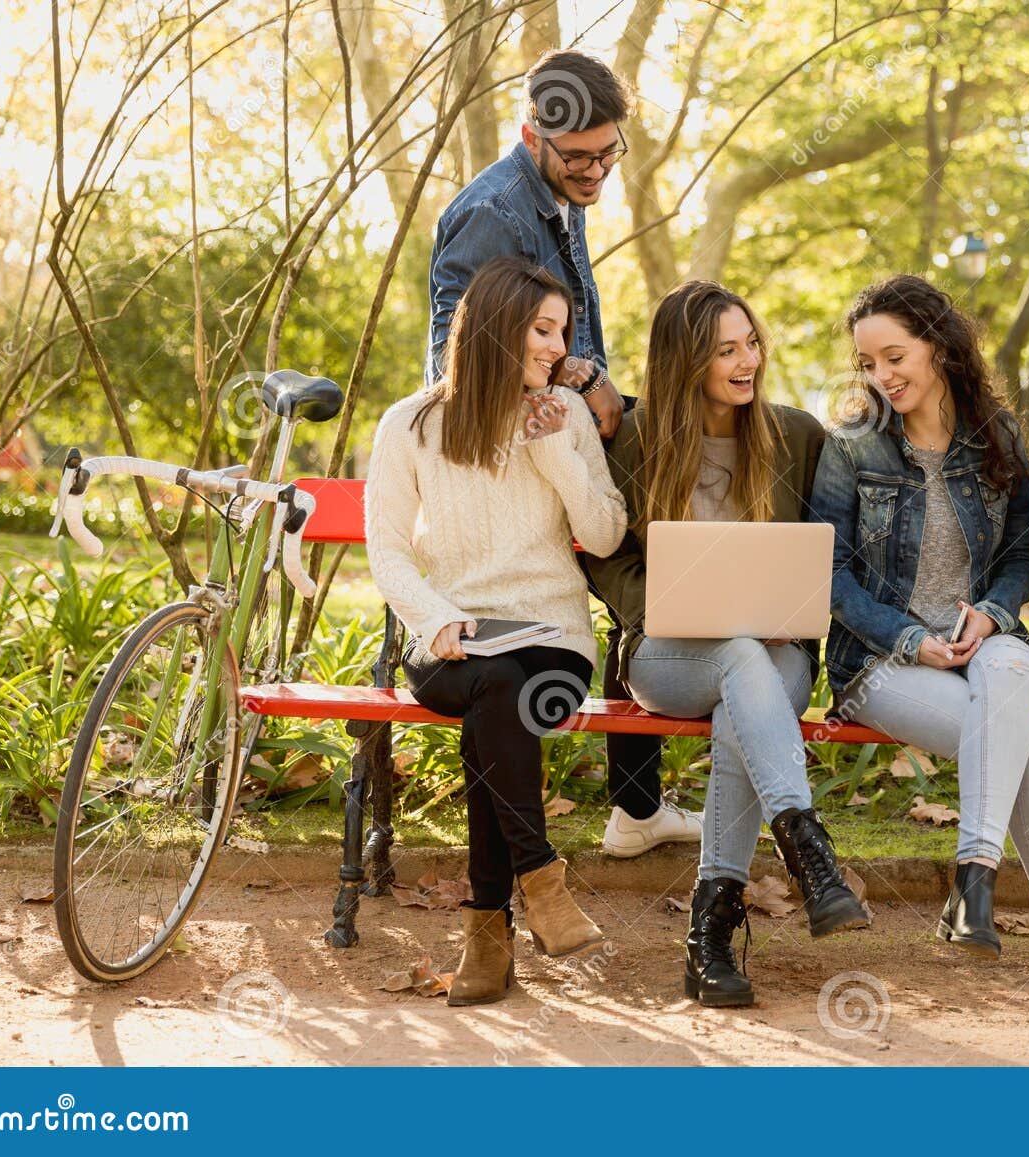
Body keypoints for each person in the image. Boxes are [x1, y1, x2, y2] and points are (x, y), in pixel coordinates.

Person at [812, 274, 1029, 998]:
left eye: (895, 356)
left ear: (938, 346)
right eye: (868, 363)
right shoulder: (852, 446)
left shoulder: (994, 432)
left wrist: (992, 612)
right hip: (879, 661)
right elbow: (830, 578)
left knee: (1012, 664)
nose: (882, 376)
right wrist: (912, 639)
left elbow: (1022, 551)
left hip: (983, 649)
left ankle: (977, 881)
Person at [425, 48, 699, 857]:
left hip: (570, 431)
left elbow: (554, 331)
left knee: (657, 515)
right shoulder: (492, 212)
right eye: (579, 157)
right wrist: (579, 378)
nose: (597, 172)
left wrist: (593, 379)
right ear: (530, 136)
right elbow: (453, 358)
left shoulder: (560, 197)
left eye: (609, 153)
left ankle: (637, 805)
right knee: (629, 571)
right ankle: (631, 807)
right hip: (512, 461)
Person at [583, 281, 869, 1008]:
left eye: (752, 343)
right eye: (725, 351)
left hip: (778, 653)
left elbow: (831, 550)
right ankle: (808, 853)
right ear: (685, 362)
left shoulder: (796, 435)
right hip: (666, 654)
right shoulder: (635, 441)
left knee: (745, 686)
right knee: (739, 659)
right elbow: (603, 558)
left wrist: (795, 606)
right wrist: (660, 605)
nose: (748, 361)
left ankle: (708, 939)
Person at [367, 258, 627, 1006]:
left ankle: (488, 932)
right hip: (450, 642)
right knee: (496, 686)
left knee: (504, 691)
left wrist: (553, 451)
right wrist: (436, 617)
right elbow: (387, 550)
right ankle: (539, 882)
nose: (558, 347)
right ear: (496, 328)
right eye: (542, 330)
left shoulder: (565, 413)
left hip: (552, 640)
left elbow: (605, 535)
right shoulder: (410, 423)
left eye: (561, 331)